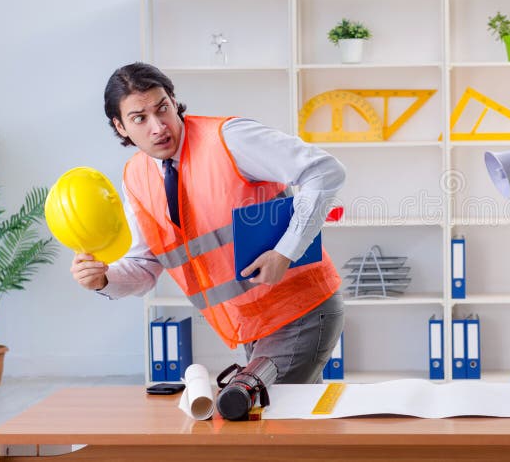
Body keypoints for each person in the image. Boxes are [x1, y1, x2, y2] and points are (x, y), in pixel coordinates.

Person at [70, 62, 345, 384]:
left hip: (301, 310)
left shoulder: (229, 139)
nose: (158, 127)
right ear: (120, 126)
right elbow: (145, 268)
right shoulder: (136, 178)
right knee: (289, 412)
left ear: (174, 101)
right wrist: (103, 278)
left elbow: (325, 171)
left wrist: (286, 251)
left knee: (255, 406)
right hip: (254, 325)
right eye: (140, 118)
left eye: (162, 109)